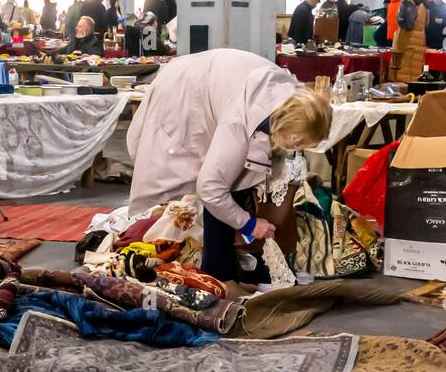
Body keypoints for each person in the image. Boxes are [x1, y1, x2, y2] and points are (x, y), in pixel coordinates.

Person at [127, 49, 331, 283]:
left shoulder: (290, 98)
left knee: (235, 179)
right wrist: (250, 225)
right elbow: (211, 189)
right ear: (291, 133)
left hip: (211, 80)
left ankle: (233, 264)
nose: (297, 150)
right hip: (183, 92)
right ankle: (218, 272)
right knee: (219, 185)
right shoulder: (239, 125)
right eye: (300, 143)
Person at [390, 0, 427, 83]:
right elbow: (426, 24)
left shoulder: (407, 1)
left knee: (402, 78)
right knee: (414, 76)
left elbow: (403, 24)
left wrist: (396, 47)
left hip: (405, 42)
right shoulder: (424, 4)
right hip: (420, 42)